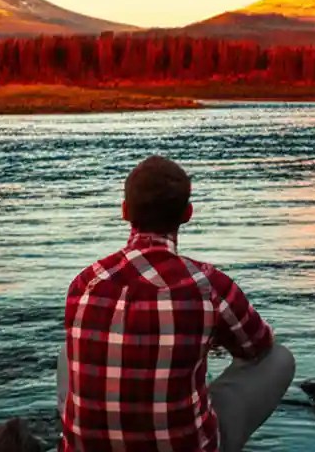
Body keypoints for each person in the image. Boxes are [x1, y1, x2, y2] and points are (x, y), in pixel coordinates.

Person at [57, 155, 295, 452]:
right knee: (280, 358)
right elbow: (259, 345)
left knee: (72, 348)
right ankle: (192, 409)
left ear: (125, 211)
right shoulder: (210, 286)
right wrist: (208, 339)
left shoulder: (84, 283)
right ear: (188, 214)